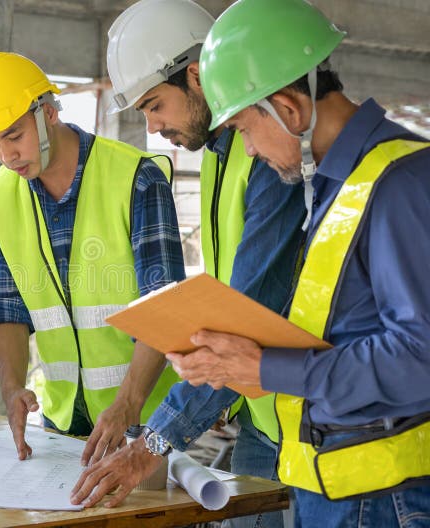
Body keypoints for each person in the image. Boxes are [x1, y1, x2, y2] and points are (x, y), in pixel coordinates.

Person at [161, 0, 430, 525]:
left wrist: (266, 368)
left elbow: (420, 355)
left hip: (383, 499)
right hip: (337, 490)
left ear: (288, 109)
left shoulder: (400, 182)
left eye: (243, 128)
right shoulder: (336, 184)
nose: (248, 151)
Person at [74, 2, 304, 526]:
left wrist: (153, 443)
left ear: (197, 77)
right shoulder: (219, 159)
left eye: (155, 105)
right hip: (262, 420)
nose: (153, 127)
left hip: (309, 422)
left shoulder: (269, 157)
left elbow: (245, 317)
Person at [0, 51, 185, 460]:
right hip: (61, 425)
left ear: (47, 113)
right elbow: (7, 306)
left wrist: (127, 405)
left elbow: (164, 308)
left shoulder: (136, 179)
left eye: (14, 136)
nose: (7, 156)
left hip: (144, 424)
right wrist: (11, 390)